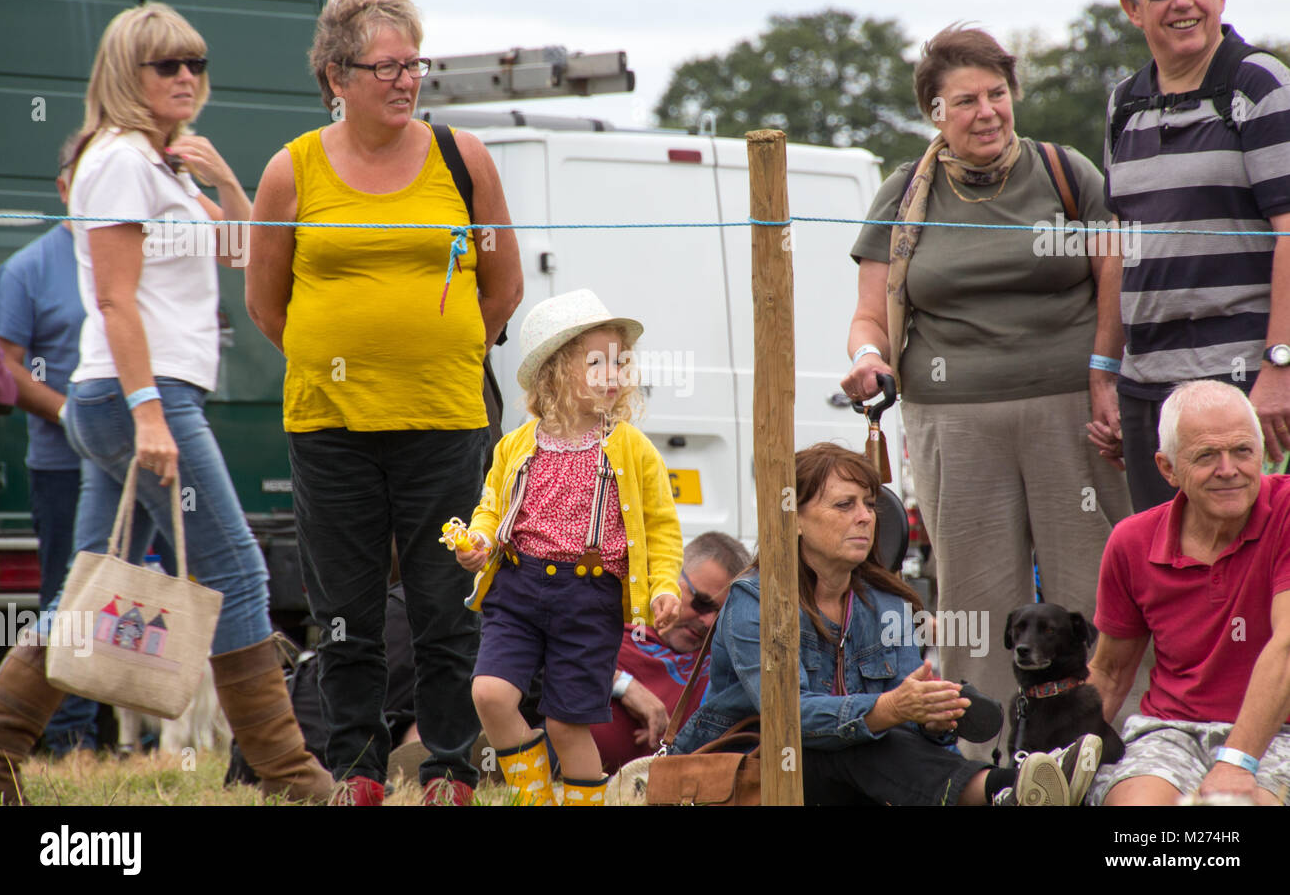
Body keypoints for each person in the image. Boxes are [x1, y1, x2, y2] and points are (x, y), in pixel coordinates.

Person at [0, 2, 332, 805]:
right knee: (240, 575)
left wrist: (225, 181)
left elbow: (247, 252)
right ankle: (294, 782)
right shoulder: (116, 161)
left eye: (196, 63)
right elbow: (114, 302)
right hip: (134, 394)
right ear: (125, 76)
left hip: (138, 394)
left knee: (92, 589)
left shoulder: (161, 165)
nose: (187, 77)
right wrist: (149, 413)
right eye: (166, 65)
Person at [246, 0, 523, 806]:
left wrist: (436, 357)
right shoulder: (289, 170)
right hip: (331, 426)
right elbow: (267, 307)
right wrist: (342, 363)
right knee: (345, 609)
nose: (406, 81)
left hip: (445, 420)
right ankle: (358, 769)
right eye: (387, 67)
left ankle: (447, 767)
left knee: (447, 602)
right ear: (337, 74)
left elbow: (500, 289)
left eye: (414, 63)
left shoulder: (462, 158)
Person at [841, 25, 1132, 753]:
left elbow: (1114, 276)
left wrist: (1104, 373)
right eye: (964, 100)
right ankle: (990, 768)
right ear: (935, 114)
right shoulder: (905, 192)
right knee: (976, 601)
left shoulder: (1067, 174)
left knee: (1093, 591)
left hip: (1073, 409)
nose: (987, 111)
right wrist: (869, 358)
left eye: (997, 93)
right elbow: (869, 314)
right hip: (952, 418)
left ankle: (1112, 752)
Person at [672, 443, 1101, 805]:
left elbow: (902, 726)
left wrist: (932, 720)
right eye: (845, 505)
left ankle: (1013, 792)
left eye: (869, 504)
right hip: (750, 771)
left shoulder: (889, 605)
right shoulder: (756, 601)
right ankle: (1004, 791)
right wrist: (891, 710)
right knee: (854, 745)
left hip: (854, 772)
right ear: (793, 518)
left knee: (874, 742)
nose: (865, 517)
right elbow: (790, 719)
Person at [456, 289, 683, 806]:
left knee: (566, 725)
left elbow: (663, 528)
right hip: (516, 587)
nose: (613, 374)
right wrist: (480, 540)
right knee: (489, 694)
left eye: (620, 362)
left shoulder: (630, 447)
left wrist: (665, 585)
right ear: (554, 372)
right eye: (596, 362)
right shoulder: (516, 444)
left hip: (589, 599)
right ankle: (535, 799)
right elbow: (492, 506)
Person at [1097, 0, 1290, 513]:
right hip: (1147, 389)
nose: (1183, 3)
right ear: (1133, 7)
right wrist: (1104, 372)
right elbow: (1119, 239)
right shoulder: (1123, 104)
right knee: (1166, 575)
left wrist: (1279, 367)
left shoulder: (1259, 86)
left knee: (1252, 577)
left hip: (1241, 386)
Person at [1087, 380, 1290, 805]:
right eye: (1206, 456)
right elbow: (1109, 673)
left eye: (1242, 451)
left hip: (1279, 733)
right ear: (1167, 469)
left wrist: (1237, 761)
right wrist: (1065, 756)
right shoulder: (1132, 540)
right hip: (1169, 732)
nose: (1228, 469)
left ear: (1264, 454)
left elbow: (1287, 645)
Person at [0, 137, 100, 755]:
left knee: (176, 590)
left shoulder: (134, 256)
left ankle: (182, 736)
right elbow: (4, 368)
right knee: (70, 597)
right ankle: (70, 739)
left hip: (145, 460)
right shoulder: (27, 269)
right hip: (63, 466)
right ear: (64, 189)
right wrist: (73, 416)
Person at [592, 530, 747, 774]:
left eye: (721, 616)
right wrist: (625, 685)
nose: (708, 622)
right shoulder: (614, 624)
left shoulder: (723, 664)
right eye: (702, 603)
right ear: (672, 578)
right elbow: (548, 660)